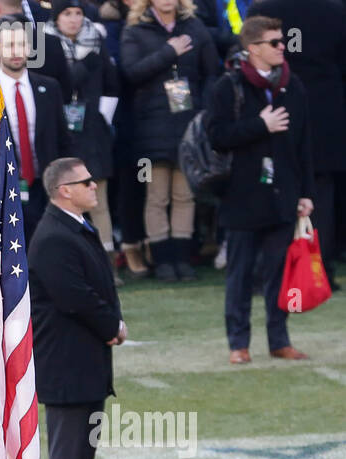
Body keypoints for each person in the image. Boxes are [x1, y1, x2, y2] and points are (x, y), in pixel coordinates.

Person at [30, 156, 125, 459]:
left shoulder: (77, 228)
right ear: (63, 190)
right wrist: (112, 326)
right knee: (68, 449)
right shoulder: (54, 236)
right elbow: (75, 298)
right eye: (86, 182)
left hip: (84, 358)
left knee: (83, 447)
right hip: (66, 359)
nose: (94, 186)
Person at [206, 14, 314, 364]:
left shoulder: (292, 85)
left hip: (283, 194)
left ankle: (279, 340)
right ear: (252, 48)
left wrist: (305, 193)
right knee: (240, 275)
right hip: (241, 196)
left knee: (278, 273)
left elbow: (303, 145)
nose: (283, 47)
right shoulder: (228, 86)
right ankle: (239, 343)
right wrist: (260, 125)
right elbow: (216, 137)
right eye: (274, 43)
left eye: (282, 41)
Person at [119, 0, 220, 281]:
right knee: (157, 195)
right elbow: (131, 72)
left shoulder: (195, 26)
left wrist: (206, 111)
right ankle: (162, 260)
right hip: (150, 125)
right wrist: (169, 52)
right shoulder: (136, 30)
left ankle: (183, 259)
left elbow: (212, 71)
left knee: (185, 195)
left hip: (189, 122)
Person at [250, 0, 345, 287]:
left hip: (277, 105)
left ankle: (270, 270)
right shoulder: (336, 10)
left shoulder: (262, 10)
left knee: (271, 186)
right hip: (325, 110)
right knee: (320, 195)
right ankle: (318, 271)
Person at [0, 16, 70, 240]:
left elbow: (64, 142)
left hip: (45, 190)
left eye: (21, 44)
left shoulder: (49, 88)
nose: (15, 51)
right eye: (8, 45)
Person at [49, 2, 119, 266]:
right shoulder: (45, 46)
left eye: (78, 13)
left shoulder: (97, 42)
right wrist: (82, 65)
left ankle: (107, 260)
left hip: (93, 132)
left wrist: (102, 117)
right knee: (65, 201)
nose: (74, 19)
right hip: (60, 133)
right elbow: (61, 86)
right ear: (57, 18)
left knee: (98, 199)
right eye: (67, 14)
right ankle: (71, 262)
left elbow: (113, 84)